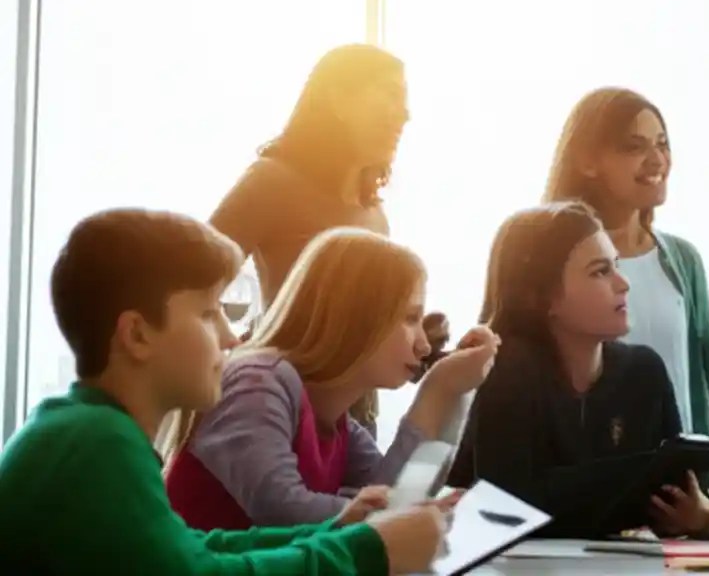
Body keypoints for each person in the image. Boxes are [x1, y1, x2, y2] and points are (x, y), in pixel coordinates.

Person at [0, 209, 443, 575]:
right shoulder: (97, 441)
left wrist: (338, 528)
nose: (231, 339)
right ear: (137, 335)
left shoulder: (84, 428)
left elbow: (193, 547)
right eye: (210, 313)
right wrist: (366, 551)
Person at [165, 227, 498, 530]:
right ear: (355, 317)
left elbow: (401, 496)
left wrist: (452, 393)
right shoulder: (257, 382)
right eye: (411, 318)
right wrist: (435, 393)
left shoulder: (338, 423)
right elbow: (282, 511)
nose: (424, 345)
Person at [447, 201, 709, 539]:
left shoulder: (644, 371)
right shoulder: (508, 372)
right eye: (600, 271)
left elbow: (692, 498)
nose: (623, 283)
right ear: (541, 299)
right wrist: (634, 479)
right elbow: (508, 507)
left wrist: (704, 517)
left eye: (616, 265)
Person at [210, 43, 415, 432]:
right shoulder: (272, 182)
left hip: (351, 416)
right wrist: (239, 356)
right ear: (339, 99)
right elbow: (190, 280)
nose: (404, 113)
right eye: (391, 94)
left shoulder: (374, 214)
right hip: (281, 408)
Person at [544, 87, 709, 441]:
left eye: (662, 143)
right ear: (587, 161)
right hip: (604, 485)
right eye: (634, 147)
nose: (657, 160)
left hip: (683, 489)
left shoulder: (682, 259)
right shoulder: (555, 260)